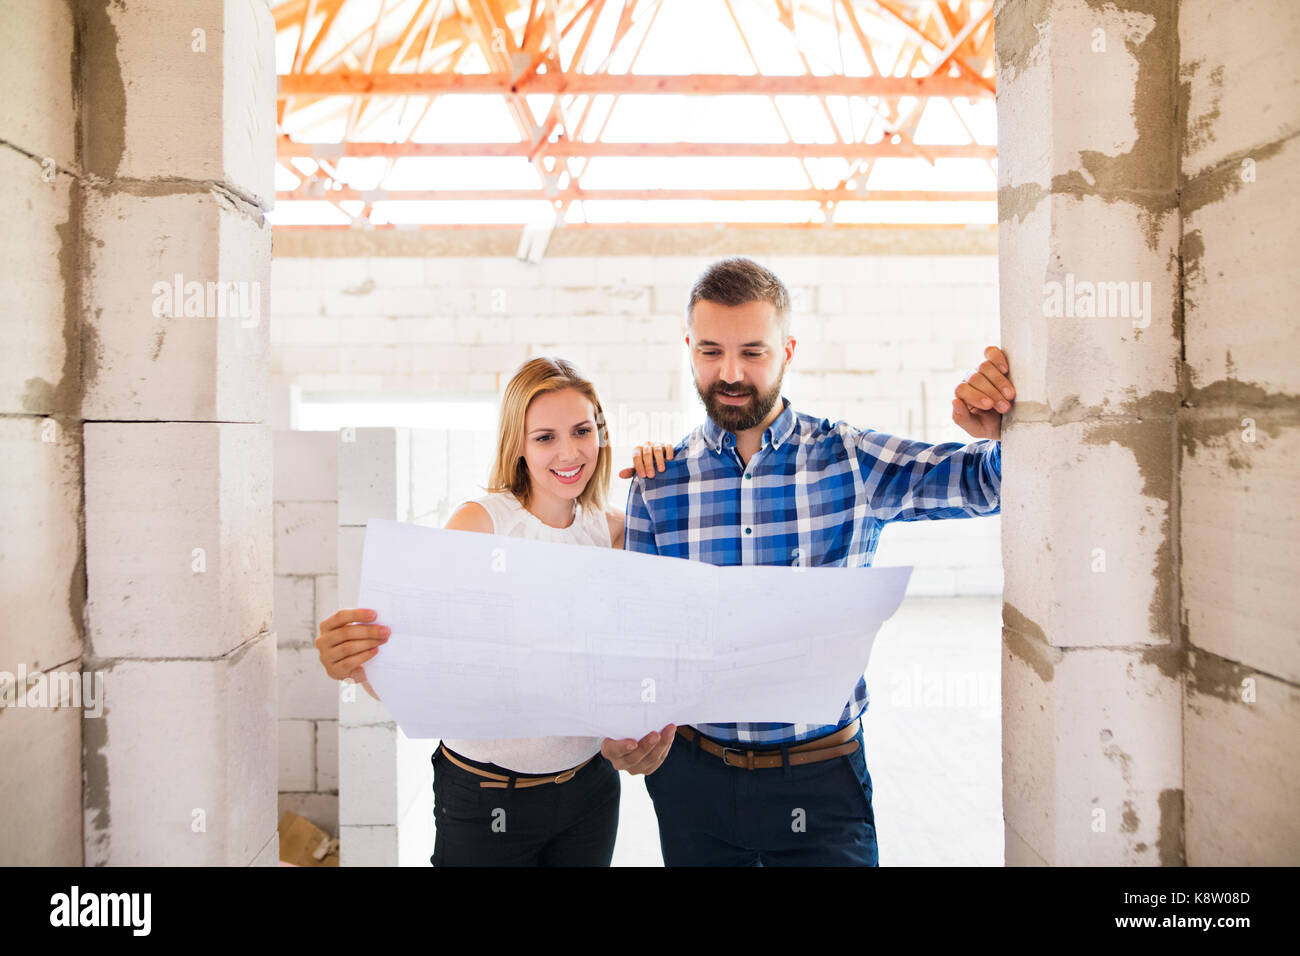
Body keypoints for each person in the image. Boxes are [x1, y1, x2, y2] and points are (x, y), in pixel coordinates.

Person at [623, 255, 1016, 866]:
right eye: (710, 351)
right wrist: (625, 728)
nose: (730, 373)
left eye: (753, 351)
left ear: (788, 349)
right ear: (688, 348)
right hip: (692, 783)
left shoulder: (853, 460)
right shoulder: (657, 483)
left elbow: (989, 484)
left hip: (820, 780)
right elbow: (641, 636)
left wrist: (1001, 431)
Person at [316, 356, 676, 866]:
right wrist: (356, 665)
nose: (570, 451)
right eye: (545, 437)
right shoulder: (481, 525)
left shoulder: (610, 531)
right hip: (486, 798)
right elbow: (413, 659)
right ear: (519, 446)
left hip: (588, 790)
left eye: (582, 431)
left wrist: (662, 464)